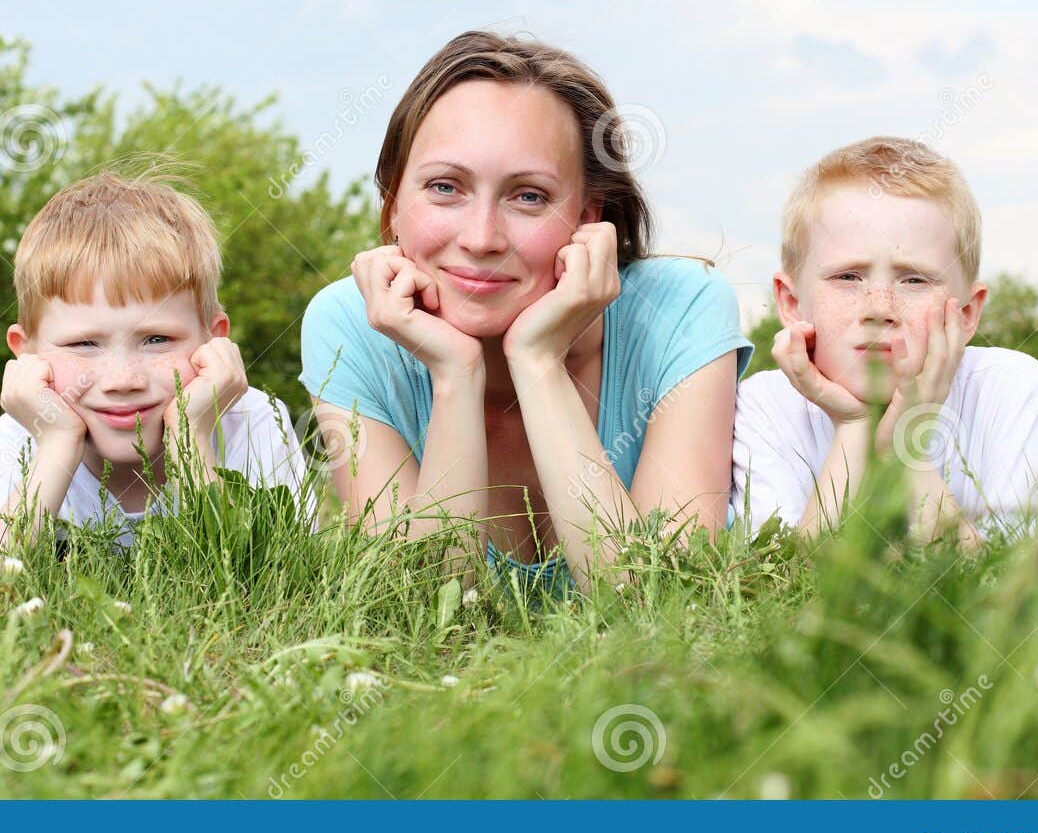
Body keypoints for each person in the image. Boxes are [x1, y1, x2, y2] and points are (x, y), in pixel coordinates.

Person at [300, 30, 751, 590]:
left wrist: (538, 362)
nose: (482, 237)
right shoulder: (349, 326)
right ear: (394, 204)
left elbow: (663, 603)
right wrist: (454, 373)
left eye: (528, 196)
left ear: (589, 218)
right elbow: (415, 611)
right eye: (445, 187)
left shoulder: (680, 311)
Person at [730, 136, 1038, 548]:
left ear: (967, 313)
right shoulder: (764, 405)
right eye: (848, 277)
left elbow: (1007, 585)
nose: (880, 307)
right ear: (792, 303)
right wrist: (851, 425)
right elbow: (791, 581)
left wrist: (908, 443)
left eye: (915, 280)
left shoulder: (1012, 389)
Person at [0, 170, 311, 574]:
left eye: (156, 339)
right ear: (26, 355)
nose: (123, 379)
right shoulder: (17, 439)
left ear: (213, 342)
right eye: (84, 344)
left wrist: (190, 438)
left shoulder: (255, 424)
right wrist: (55, 445)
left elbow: (274, 582)